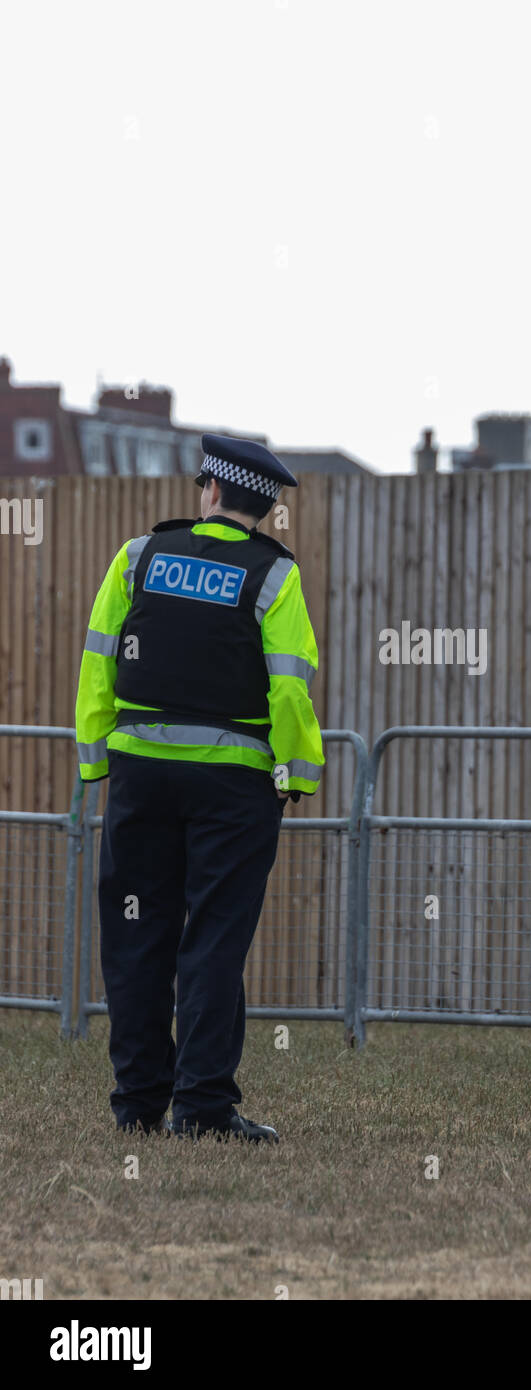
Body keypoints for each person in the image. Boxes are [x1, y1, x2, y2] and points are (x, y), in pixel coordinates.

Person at [75, 434, 325, 1143]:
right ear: (266, 506)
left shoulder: (138, 558)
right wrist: (296, 773)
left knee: (135, 934)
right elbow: (290, 688)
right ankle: (203, 1109)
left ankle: (137, 1103)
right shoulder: (274, 577)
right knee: (213, 941)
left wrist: (98, 762)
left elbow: (99, 663)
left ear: (210, 491)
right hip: (232, 787)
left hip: (139, 778)